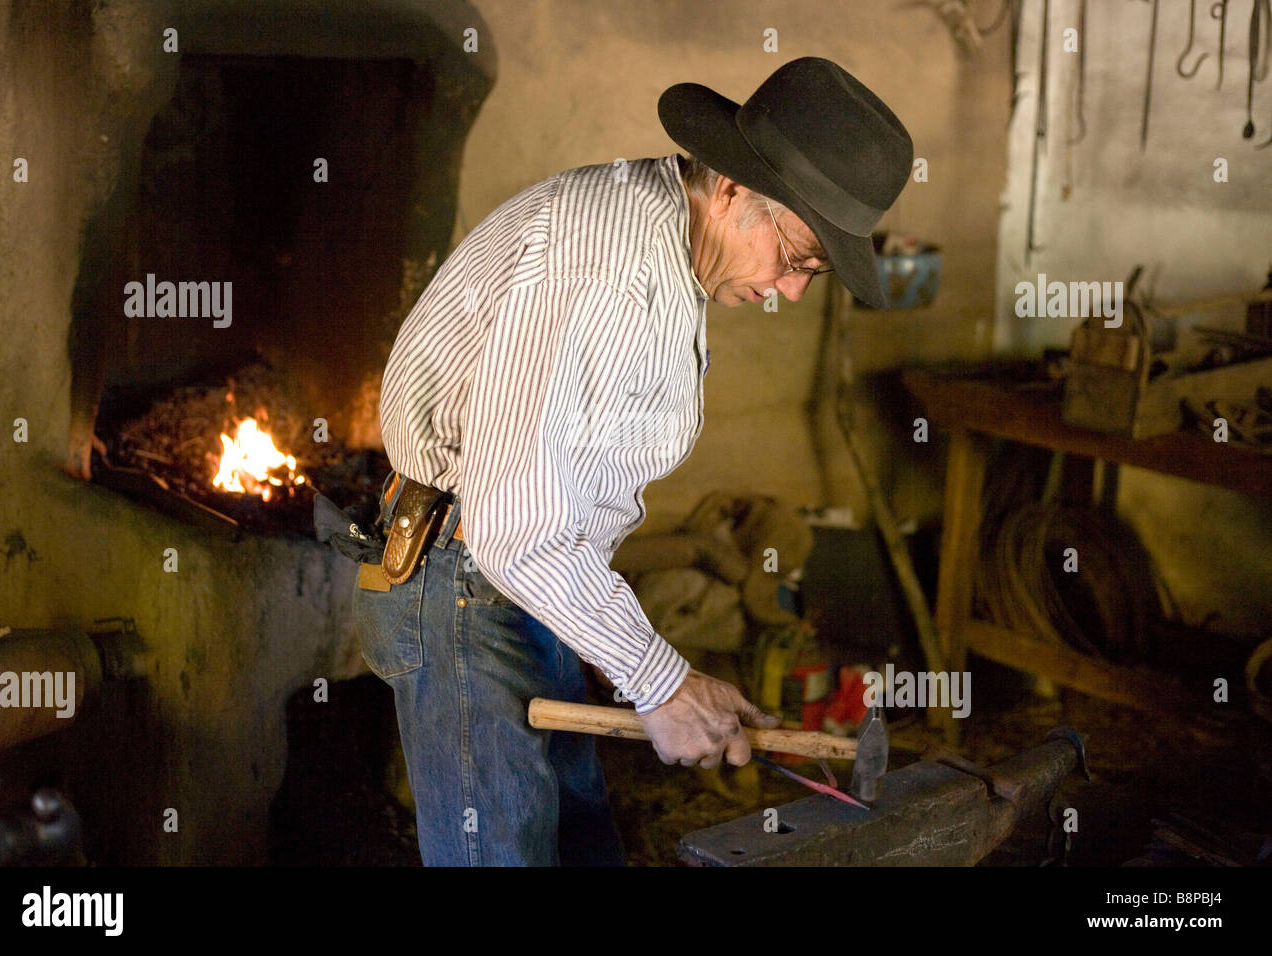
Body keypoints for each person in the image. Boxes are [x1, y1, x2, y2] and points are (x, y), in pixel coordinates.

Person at [358, 56, 913, 865]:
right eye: (795, 257)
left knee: (582, 843)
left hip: (534, 587)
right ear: (728, 190)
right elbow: (515, 529)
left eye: (812, 274)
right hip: (469, 586)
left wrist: (667, 676)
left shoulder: (662, 243)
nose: (790, 292)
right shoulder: (609, 273)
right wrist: (660, 680)